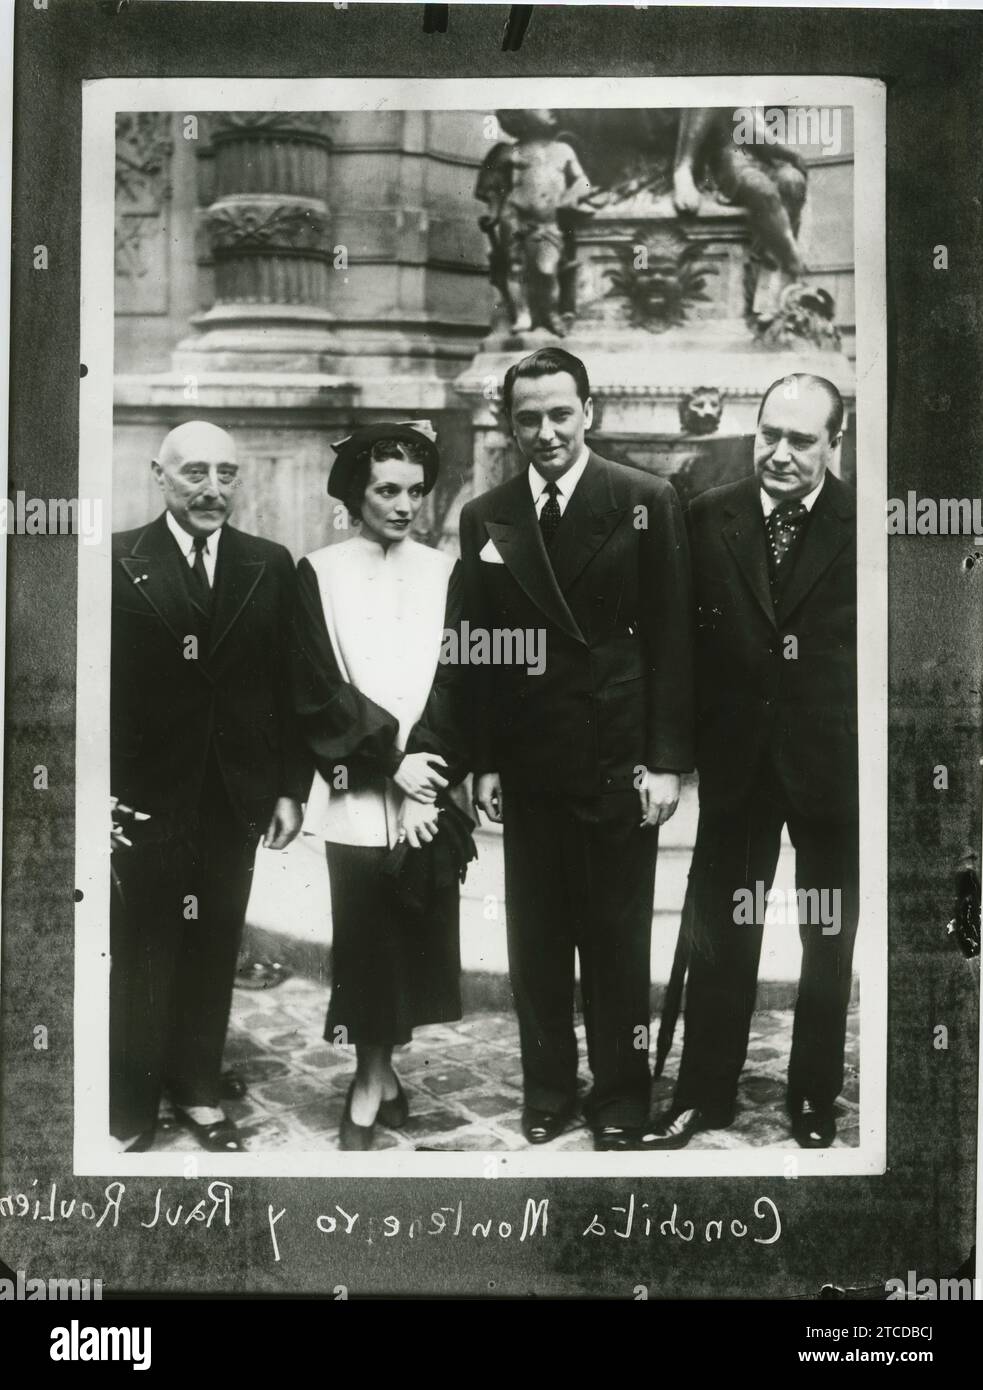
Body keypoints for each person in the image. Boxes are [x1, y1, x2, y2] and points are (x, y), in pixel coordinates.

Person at [458, 348, 695, 1151]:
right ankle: (549, 1089)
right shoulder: (485, 515)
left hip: (616, 761)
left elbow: (671, 639)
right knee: (536, 938)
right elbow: (478, 646)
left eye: (560, 413)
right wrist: (483, 758)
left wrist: (666, 762)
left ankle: (623, 1093)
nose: (546, 432)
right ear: (509, 423)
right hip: (529, 763)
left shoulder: (644, 500)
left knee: (617, 939)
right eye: (528, 418)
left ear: (586, 411)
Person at [642, 373, 858, 1150]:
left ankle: (812, 1096)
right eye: (769, 434)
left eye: (801, 439)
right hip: (736, 768)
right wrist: (671, 755)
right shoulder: (709, 517)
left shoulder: (859, 523)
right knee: (721, 934)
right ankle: (704, 1093)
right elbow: (674, 649)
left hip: (833, 774)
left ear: (835, 439)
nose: (779, 452)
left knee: (824, 936)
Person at [109, 421, 308, 1152]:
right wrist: (98, 794)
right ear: (158, 477)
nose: (212, 489)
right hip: (141, 800)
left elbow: (290, 688)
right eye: (195, 472)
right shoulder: (118, 560)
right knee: (140, 944)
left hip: (233, 798)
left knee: (213, 938)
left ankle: (196, 1087)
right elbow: (94, 690)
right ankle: (129, 1101)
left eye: (226, 473)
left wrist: (290, 789)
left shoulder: (269, 564)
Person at [292, 422, 471, 1151]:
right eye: (385, 490)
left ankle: (383, 1075)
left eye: (415, 492)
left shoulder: (444, 572)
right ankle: (369, 1079)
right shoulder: (318, 571)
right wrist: (388, 761)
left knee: (411, 936)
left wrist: (426, 775)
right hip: (358, 789)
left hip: (425, 794)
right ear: (354, 495)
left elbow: (460, 677)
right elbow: (315, 686)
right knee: (366, 940)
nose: (403, 506)